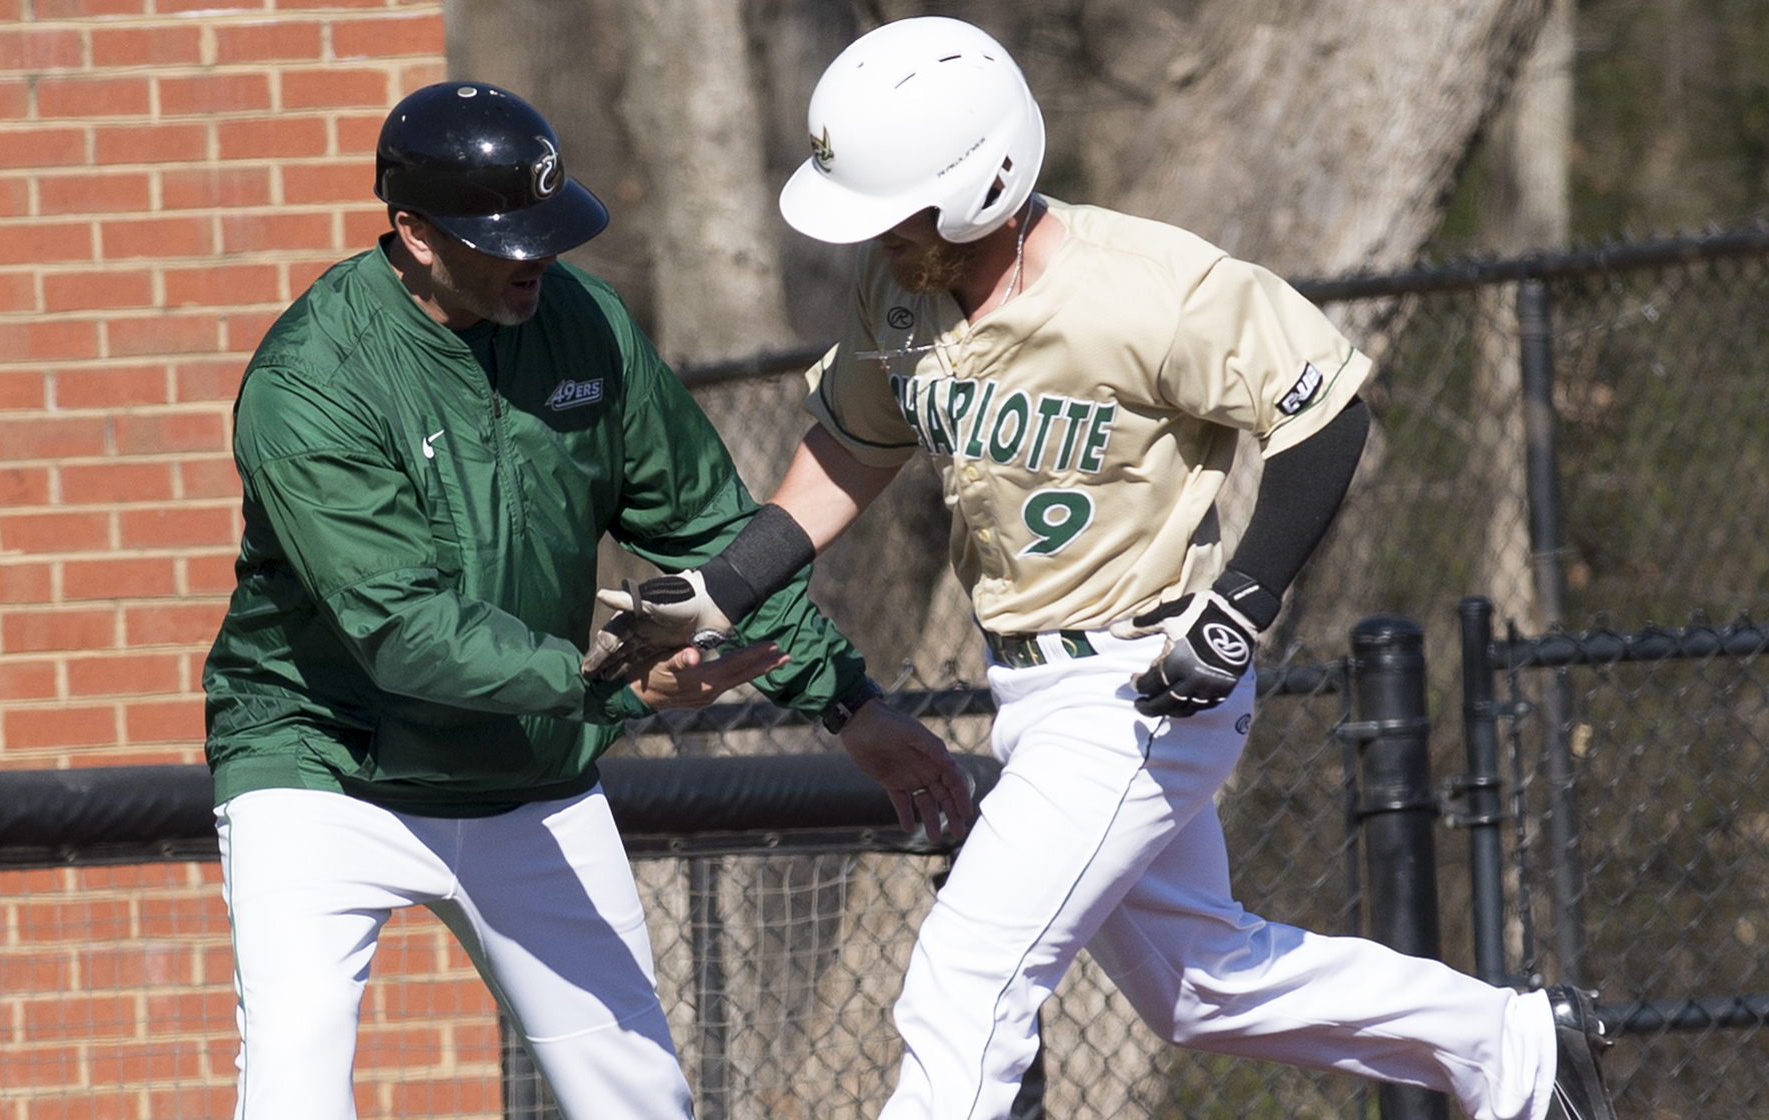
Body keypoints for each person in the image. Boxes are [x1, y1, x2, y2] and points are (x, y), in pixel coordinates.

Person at [587, 17, 1617, 1120]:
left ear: (981, 182)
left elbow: (1323, 416)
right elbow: (848, 449)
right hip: (1028, 687)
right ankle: (1511, 1044)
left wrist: (1238, 611)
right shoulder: (900, 293)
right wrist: (718, 587)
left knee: (964, 975)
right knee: (1201, 988)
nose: (875, 237)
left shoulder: (1146, 283)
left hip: (1142, 682)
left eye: (895, 212)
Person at [199, 80, 972, 1120]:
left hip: (527, 771)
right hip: (328, 766)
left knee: (637, 1098)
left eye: (546, 230)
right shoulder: (313, 380)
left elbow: (710, 532)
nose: (535, 257)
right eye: (504, 237)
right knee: (294, 1095)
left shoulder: (583, 325)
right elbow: (400, 630)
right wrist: (601, 678)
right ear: (414, 234)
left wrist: (849, 705)